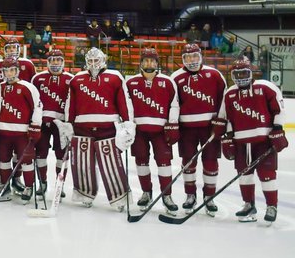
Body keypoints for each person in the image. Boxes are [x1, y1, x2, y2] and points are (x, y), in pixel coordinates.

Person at [60, 48, 134, 210]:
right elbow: (70, 104)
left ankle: (119, 197)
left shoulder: (115, 77)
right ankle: (85, 194)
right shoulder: (77, 79)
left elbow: (124, 101)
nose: (93, 64)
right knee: (82, 164)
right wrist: (68, 124)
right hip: (82, 128)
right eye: (90, 61)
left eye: (96, 60)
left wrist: (128, 123)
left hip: (108, 128)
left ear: (103, 60)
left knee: (111, 164)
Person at [218, 59, 286, 225]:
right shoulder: (230, 94)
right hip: (241, 143)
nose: (241, 77)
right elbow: (227, 117)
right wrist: (228, 137)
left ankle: (271, 206)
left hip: (264, 141)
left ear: (251, 73)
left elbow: (279, 110)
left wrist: (277, 128)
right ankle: (249, 205)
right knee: (244, 175)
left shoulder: (266, 87)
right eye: (237, 74)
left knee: (267, 175)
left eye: (244, 73)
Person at [170, 44, 226, 214]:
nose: (191, 60)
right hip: (186, 129)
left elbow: (224, 101)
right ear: (183, 59)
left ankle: (209, 197)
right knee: (188, 162)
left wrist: (221, 121)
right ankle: (190, 195)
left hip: (210, 128)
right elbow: (172, 104)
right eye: (188, 57)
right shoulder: (175, 78)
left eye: (194, 56)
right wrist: (173, 124)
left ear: (200, 57)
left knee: (210, 162)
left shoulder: (214, 75)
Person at [126, 48, 180, 212]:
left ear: (157, 63)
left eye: (152, 60)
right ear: (141, 63)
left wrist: (172, 124)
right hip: (139, 131)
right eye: (146, 60)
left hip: (161, 131)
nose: (149, 63)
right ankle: (146, 193)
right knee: (141, 162)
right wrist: (128, 125)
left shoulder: (168, 82)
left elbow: (174, 105)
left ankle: (167, 196)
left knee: (164, 164)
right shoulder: (130, 82)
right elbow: (127, 106)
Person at [0, 62, 43, 202]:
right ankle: (5, 186)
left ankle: (29, 186)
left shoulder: (27, 87)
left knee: (26, 160)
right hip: (2, 132)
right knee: (3, 160)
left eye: (12, 70)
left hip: (22, 133)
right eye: (6, 70)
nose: (9, 73)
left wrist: (35, 125)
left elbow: (38, 107)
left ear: (17, 71)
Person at [31, 48, 72, 200]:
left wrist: (71, 123)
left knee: (62, 156)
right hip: (42, 123)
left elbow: (74, 103)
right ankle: (42, 183)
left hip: (62, 124)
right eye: (52, 60)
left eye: (58, 60)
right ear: (47, 62)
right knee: (40, 154)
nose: (55, 63)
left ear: (63, 62)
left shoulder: (71, 79)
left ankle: (60, 184)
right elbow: (32, 102)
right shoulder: (37, 78)